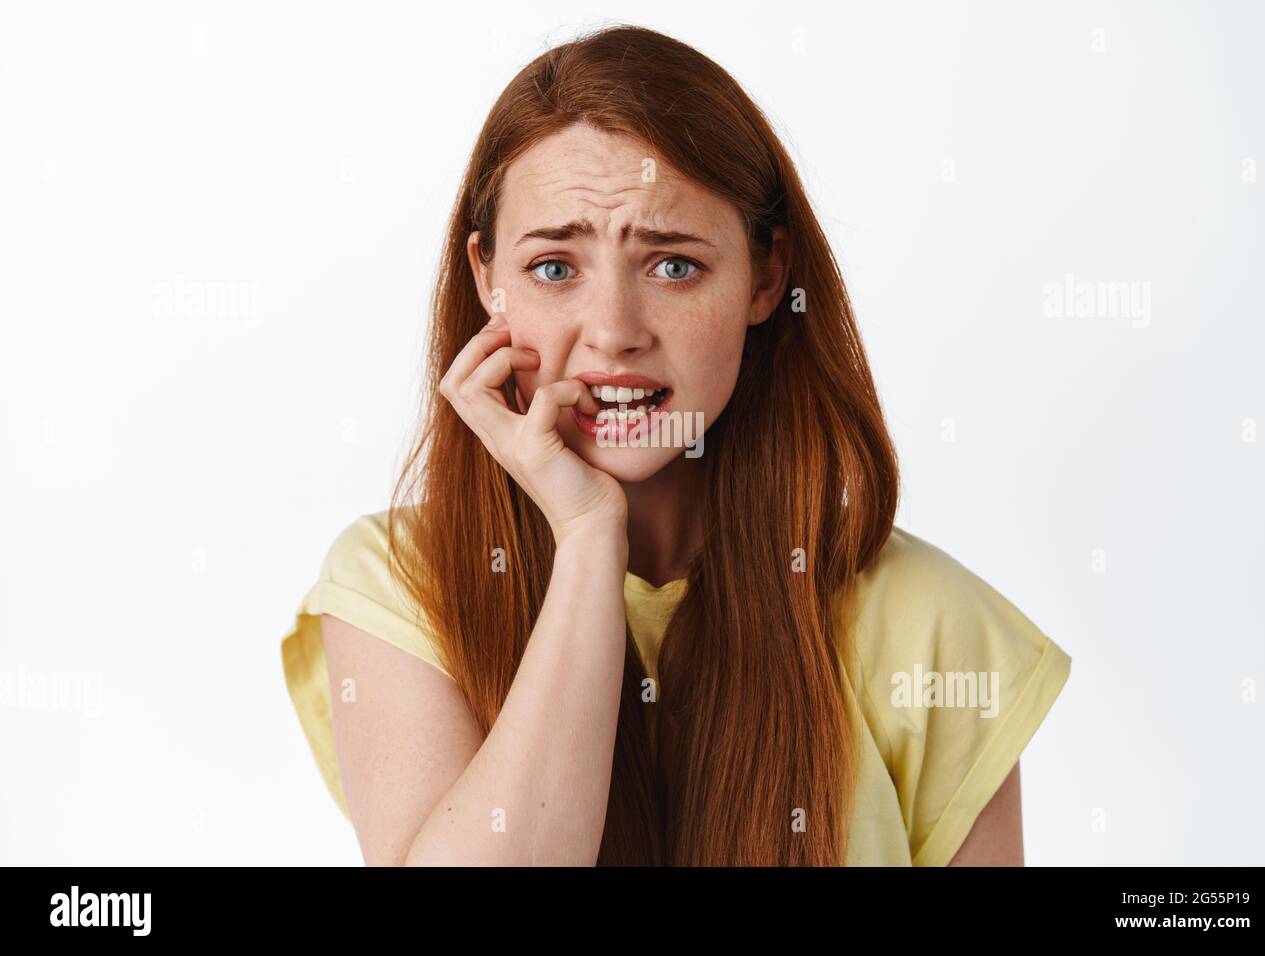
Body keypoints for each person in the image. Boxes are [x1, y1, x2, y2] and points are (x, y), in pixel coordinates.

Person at [279, 23, 1071, 866]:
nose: (615, 334)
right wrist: (588, 539)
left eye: (674, 266)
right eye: (555, 267)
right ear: (486, 279)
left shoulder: (933, 624)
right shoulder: (399, 590)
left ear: (766, 279)